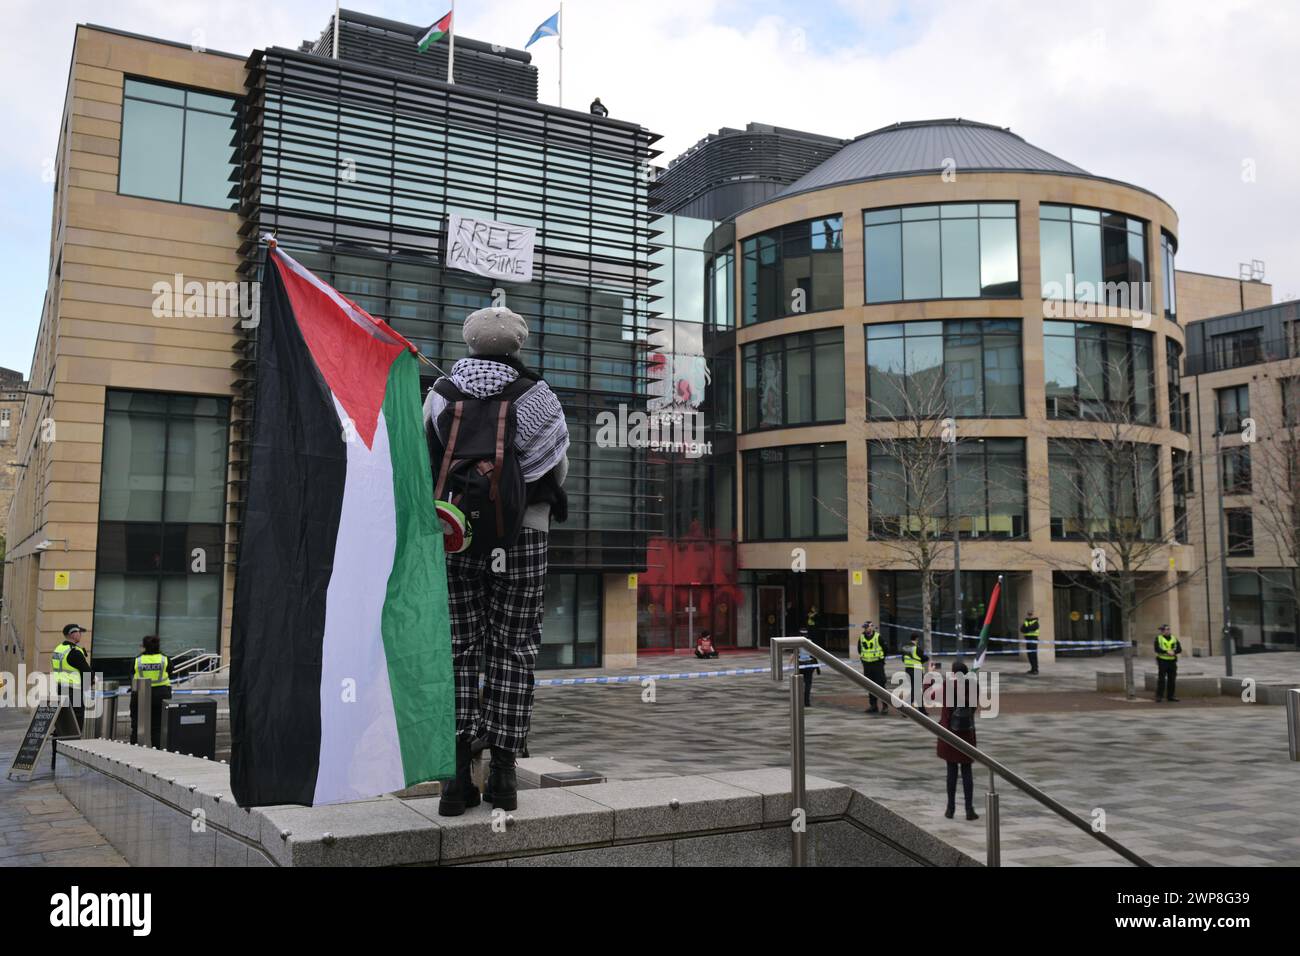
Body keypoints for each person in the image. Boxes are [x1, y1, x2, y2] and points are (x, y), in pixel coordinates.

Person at [426, 306, 570, 817]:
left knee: (458, 648)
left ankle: (456, 777)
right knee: (514, 647)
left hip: (455, 535)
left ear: (469, 343)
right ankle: (505, 771)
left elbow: (426, 460)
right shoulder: (539, 397)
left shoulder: (441, 395)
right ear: (517, 346)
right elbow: (557, 468)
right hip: (524, 535)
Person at [937, 661, 979, 820]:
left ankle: (950, 808)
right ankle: (969, 809)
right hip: (967, 734)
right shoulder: (973, 687)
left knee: (951, 771)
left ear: (954, 673)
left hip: (949, 734)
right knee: (967, 771)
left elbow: (929, 694)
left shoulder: (948, 686)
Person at [129, 635, 173, 748]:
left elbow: (131, 674)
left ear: (144, 646)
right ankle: (156, 751)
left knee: (137, 725)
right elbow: (171, 671)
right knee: (158, 727)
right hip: (161, 694)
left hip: (141, 694)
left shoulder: (138, 659)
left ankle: (134, 750)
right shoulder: (164, 658)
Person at [50, 624, 92, 733]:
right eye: (79, 632)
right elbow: (87, 672)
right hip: (74, 691)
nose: (80, 635)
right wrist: (88, 688)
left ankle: (57, 747)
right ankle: (72, 746)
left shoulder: (59, 649)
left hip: (61, 689)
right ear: (72, 634)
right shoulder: (74, 652)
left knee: (63, 721)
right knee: (76, 722)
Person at [858, 620, 889, 714]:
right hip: (867, 665)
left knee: (881, 685)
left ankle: (885, 706)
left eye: (867, 627)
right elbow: (859, 650)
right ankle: (873, 706)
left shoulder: (878, 636)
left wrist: (881, 660)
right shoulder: (862, 637)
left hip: (877, 665)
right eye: (865, 627)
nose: (866, 629)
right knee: (869, 685)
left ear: (871, 627)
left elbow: (885, 649)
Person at [901, 633, 929, 713]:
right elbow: (924, 658)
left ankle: (922, 710)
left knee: (916, 690)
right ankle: (905, 708)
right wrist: (925, 658)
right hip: (917, 670)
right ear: (917, 639)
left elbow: (903, 659)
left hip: (908, 670)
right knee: (916, 690)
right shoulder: (916, 648)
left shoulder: (905, 648)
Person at [1154, 624, 1182, 702]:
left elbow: (1179, 649)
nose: (1162, 631)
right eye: (1162, 630)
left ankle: (1171, 696)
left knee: (1172, 679)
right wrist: (1167, 652)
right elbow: (1157, 649)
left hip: (1172, 661)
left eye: (1164, 630)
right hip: (1162, 661)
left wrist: (1174, 652)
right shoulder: (1158, 638)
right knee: (1161, 679)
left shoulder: (1174, 638)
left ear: (1168, 630)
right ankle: (1159, 696)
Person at [1021, 610, 1041, 675]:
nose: (1029, 615)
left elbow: (1033, 628)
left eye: (1031, 614)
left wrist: (1027, 629)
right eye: (1028, 614)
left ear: (1033, 615)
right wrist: (1027, 629)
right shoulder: (1026, 621)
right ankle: (1032, 669)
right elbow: (1022, 629)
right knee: (1029, 655)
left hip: (1033, 639)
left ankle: (1035, 669)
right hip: (1028, 640)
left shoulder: (1035, 622)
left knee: (1033, 655)